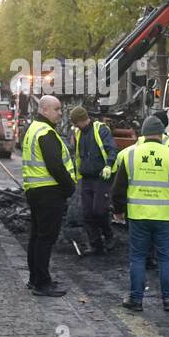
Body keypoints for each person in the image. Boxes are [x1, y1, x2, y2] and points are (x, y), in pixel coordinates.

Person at [111, 115, 169, 312]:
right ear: (161, 134)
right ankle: (168, 300)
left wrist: (118, 212)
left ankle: (136, 300)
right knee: (166, 258)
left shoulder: (130, 154)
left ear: (143, 134)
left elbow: (118, 189)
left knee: (138, 258)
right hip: (165, 217)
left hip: (138, 216)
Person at [21, 95, 76, 296]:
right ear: (45, 110)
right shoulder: (46, 132)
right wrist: (70, 188)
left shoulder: (33, 130)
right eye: (57, 109)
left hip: (35, 190)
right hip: (49, 191)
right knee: (45, 238)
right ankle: (42, 283)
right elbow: (56, 166)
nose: (60, 113)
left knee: (36, 237)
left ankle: (35, 279)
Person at [69, 105, 118, 255]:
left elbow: (112, 149)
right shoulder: (78, 133)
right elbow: (78, 155)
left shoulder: (100, 130)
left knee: (99, 210)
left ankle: (109, 236)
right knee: (87, 214)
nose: (75, 126)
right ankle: (95, 244)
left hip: (101, 177)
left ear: (81, 120)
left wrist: (109, 165)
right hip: (86, 178)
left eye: (75, 122)